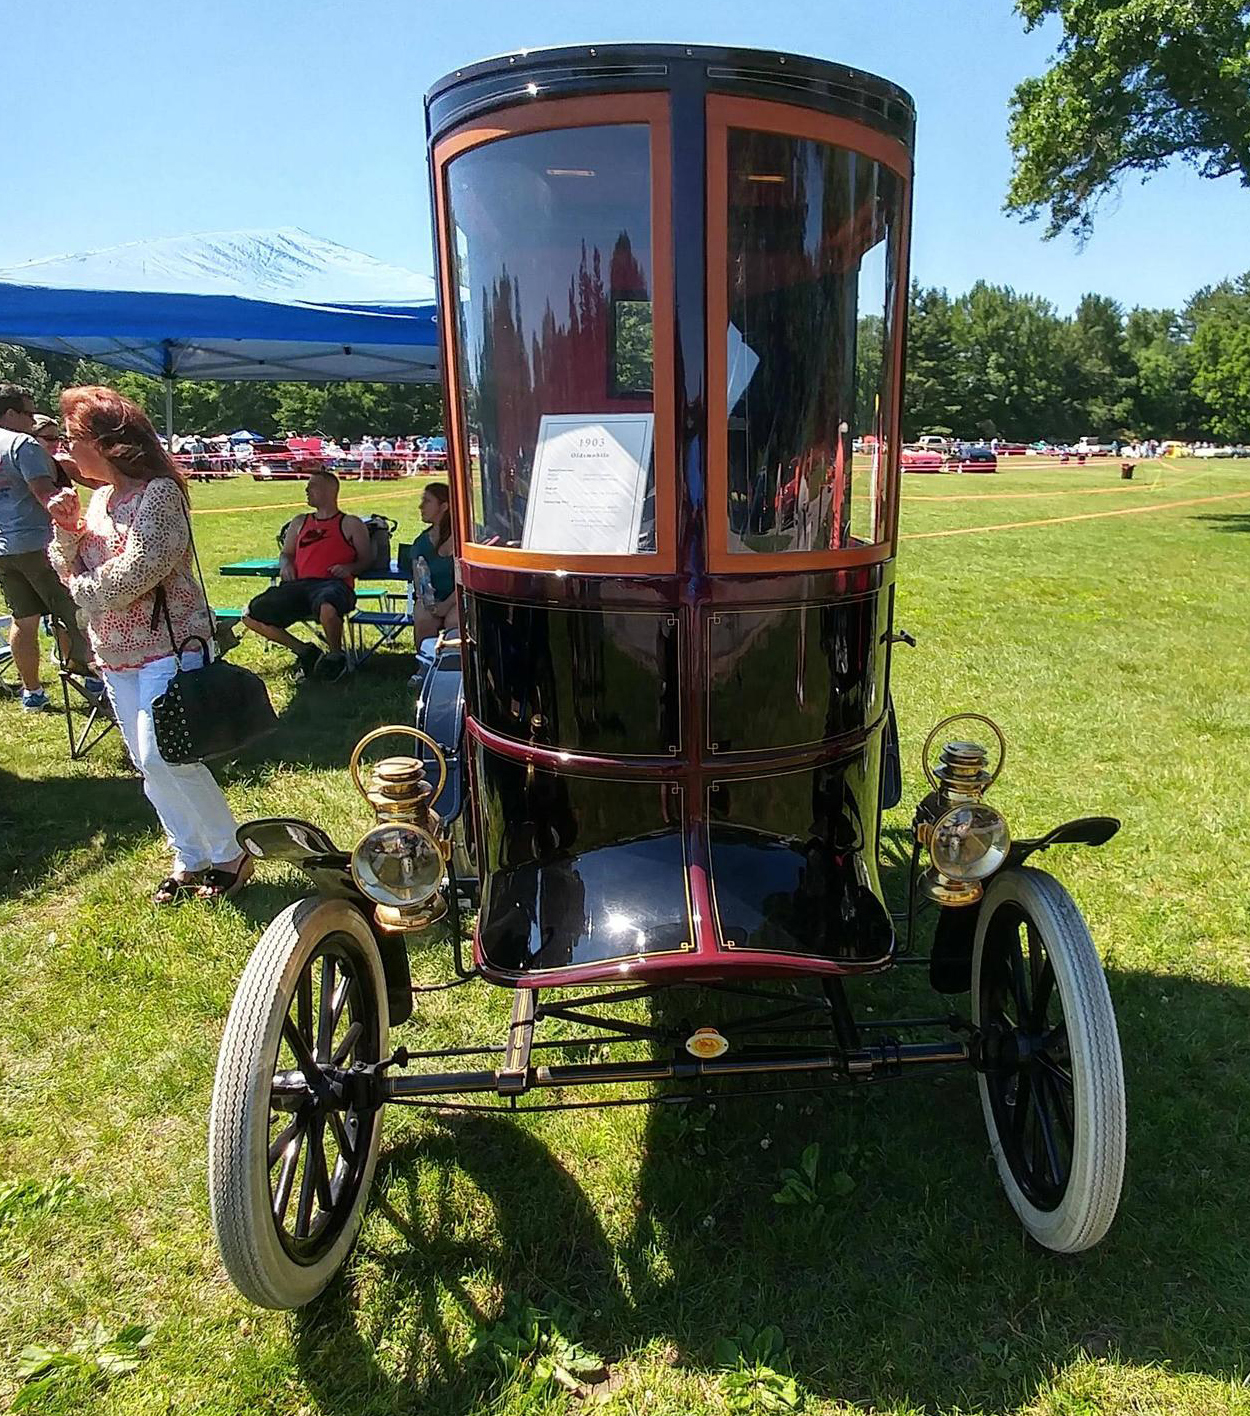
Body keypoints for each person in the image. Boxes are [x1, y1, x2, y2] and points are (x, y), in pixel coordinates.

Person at [46, 386, 251, 904]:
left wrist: (79, 588)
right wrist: (67, 531)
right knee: (147, 762)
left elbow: (135, 573)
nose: (64, 450)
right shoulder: (99, 499)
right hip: (116, 652)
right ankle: (190, 856)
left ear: (106, 442)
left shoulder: (159, 494)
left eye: (72, 438)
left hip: (169, 647)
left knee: (166, 757)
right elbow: (63, 561)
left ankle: (230, 852)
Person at [0, 383, 99, 710]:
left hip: (4, 549)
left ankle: (32, 693)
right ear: (10, 413)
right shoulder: (22, 444)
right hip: (39, 544)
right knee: (75, 613)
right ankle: (96, 681)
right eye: (28, 413)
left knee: (23, 620)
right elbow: (45, 493)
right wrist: (68, 517)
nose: (32, 420)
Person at [242, 469, 372, 680]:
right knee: (251, 614)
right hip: (299, 585)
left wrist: (350, 568)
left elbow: (367, 559)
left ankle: (335, 656)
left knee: (327, 605)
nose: (307, 490)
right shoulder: (300, 521)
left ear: (329, 491)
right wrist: (286, 564)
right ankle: (305, 651)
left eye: (313, 486)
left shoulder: (350, 523)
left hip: (333, 585)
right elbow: (286, 553)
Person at [410, 481, 457, 644]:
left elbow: (467, 583)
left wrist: (446, 605)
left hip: (459, 599)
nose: (420, 506)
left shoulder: (464, 538)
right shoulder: (421, 543)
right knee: (424, 618)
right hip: (432, 600)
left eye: (427, 501)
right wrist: (431, 604)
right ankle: (425, 658)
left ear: (444, 506)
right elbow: (419, 583)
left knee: (455, 621)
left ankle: (455, 659)